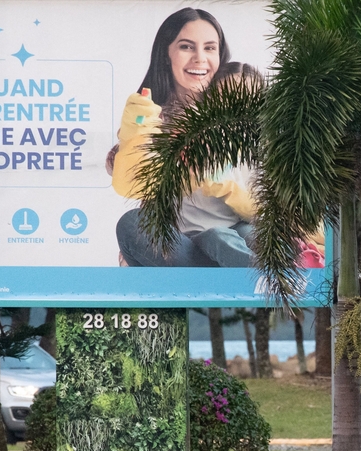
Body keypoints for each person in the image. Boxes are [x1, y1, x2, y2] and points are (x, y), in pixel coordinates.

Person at [109, 9, 264, 267]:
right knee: (132, 225)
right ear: (166, 53)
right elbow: (131, 181)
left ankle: (236, 276)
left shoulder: (240, 109)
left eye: (210, 48)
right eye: (186, 46)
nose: (200, 59)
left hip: (232, 232)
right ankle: (227, 278)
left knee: (250, 234)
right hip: (182, 239)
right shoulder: (148, 113)